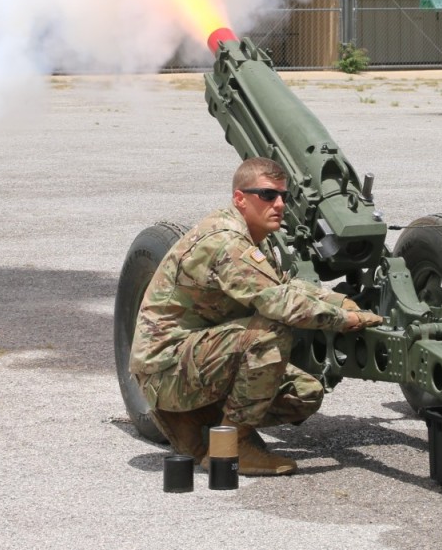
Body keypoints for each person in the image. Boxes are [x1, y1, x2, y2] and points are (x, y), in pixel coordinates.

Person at [129, 156, 384, 476]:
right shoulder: (228, 242)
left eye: (283, 197)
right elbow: (280, 303)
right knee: (270, 331)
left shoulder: (247, 237)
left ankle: (197, 420)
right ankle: (231, 447)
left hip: (190, 361)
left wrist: (338, 300)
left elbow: (283, 285)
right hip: (165, 369)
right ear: (240, 199)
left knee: (303, 395)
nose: (278, 204)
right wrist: (344, 320)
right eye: (267, 195)